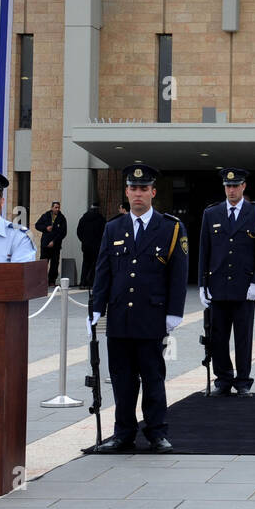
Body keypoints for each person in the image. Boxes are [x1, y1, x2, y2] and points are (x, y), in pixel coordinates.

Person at [87, 164, 188, 453]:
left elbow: (178, 274)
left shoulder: (170, 228)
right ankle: (123, 434)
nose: (138, 194)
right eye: (133, 188)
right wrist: (96, 308)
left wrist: (174, 312)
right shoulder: (113, 227)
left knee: (153, 377)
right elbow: (103, 271)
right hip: (119, 317)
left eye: (144, 188)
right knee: (122, 379)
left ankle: (157, 432)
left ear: (153, 192)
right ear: (127, 192)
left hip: (151, 316)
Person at [198, 168, 255, 397]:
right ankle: (223, 379)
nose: (231, 190)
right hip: (218, 285)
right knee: (218, 336)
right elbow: (204, 251)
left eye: (235, 186)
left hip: (244, 286)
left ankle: (243, 381)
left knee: (243, 336)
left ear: (244, 187)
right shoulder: (211, 213)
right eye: (228, 186)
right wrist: (202, 284)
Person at [35, 201, 68, 286]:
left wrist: (54, 241)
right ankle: (41, 280)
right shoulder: (45, 216)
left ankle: (52, 280)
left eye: (58, 207)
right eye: (55, 207)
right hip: (45, 244)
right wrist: (45, 228)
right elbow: (37, 225)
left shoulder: (62, 218)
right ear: (52, 208)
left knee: (54, 263)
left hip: (55, 245)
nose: (57, 209)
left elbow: (63, 232)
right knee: (43, 262)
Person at [76, 201, 106, 289]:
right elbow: (104, 233)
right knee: (95, 264)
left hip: (86, 246)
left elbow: (79, 232)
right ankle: (91, 283)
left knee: (85, 264)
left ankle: (82, 282)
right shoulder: (101, 219)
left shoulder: (83, 218)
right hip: (97, 246)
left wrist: (84, 241)